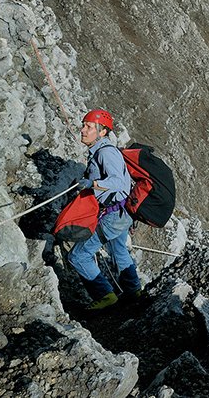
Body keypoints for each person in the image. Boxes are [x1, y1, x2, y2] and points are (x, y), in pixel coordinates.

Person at [67, 108, 142, 310]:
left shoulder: (106, 152)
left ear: (102, 132)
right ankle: (134, 292)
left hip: (113, 216)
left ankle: (105, 295)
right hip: (121, 213)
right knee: (118, 250)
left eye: (89, 127)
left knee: (78, 256)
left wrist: (92, 184)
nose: (83, 130)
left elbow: (117, 182)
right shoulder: (102, 151)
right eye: (83, 125)